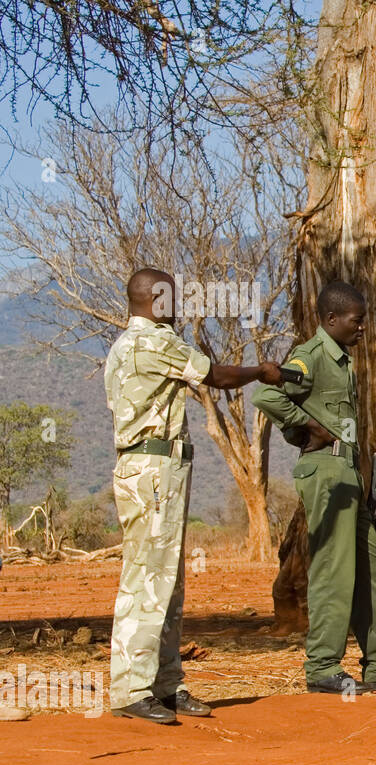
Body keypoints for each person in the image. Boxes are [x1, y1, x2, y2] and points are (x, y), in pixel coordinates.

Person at [106, 268, 285, 723]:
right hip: (153, 469)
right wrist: (262, 371)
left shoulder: (123, 345)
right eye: (173, 297)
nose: (180, 304)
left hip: (150, 465)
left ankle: (164, 683)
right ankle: (131, 688)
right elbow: (216, 376)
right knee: (148, 578)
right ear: (156, 300)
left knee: (164, 577)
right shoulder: (153, 341)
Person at [252, 281, 376, 696]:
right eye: (357, 320)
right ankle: (322, 667)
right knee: (333, 569)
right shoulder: (310, 357)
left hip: (349, 473)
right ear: (331, 319)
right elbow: (266, 395)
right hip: (326, 473)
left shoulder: (342, 358)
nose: (362, 327)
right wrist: (309, 428)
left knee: (373, 566)